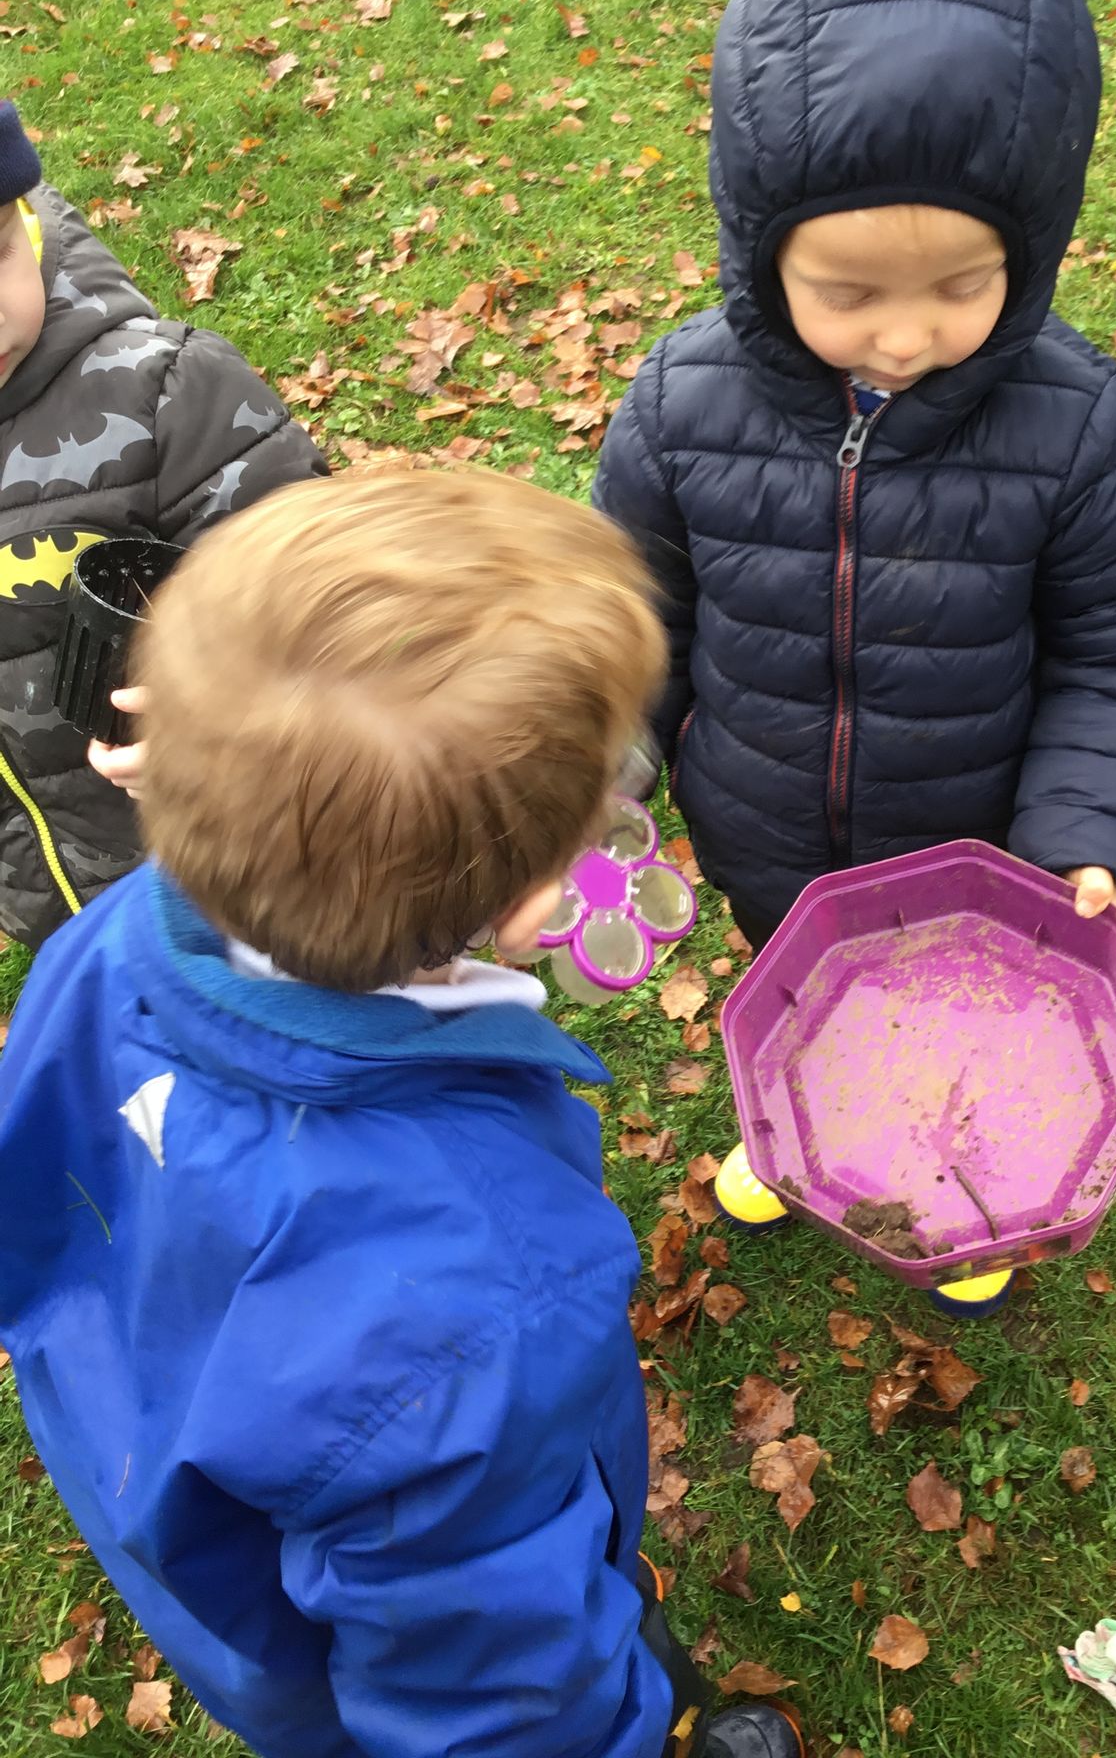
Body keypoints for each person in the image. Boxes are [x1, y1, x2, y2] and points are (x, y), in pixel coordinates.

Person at [0, 468, 801, 1758]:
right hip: (383, 1653)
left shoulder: (97, 952)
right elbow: (488, 1693)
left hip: (177, 1517)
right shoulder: (482, 1285)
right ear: (543, 899)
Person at [594, 0, 1116, 978]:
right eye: (849, 293)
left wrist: (1085, 837)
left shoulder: (1088, 437)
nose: (906, 339)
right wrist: (599, 773)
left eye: (961, 287)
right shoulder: (681, 408)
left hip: (977, 864)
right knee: (817, 997)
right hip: (765, 846)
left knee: (951, 1037)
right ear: (759, 248)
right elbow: (635, 620)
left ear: (1027, 256)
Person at [0, 98, 327, 949]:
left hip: (225, 854)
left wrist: (238, 724)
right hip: (43, 875)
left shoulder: (168, 399)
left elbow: (335, 617)